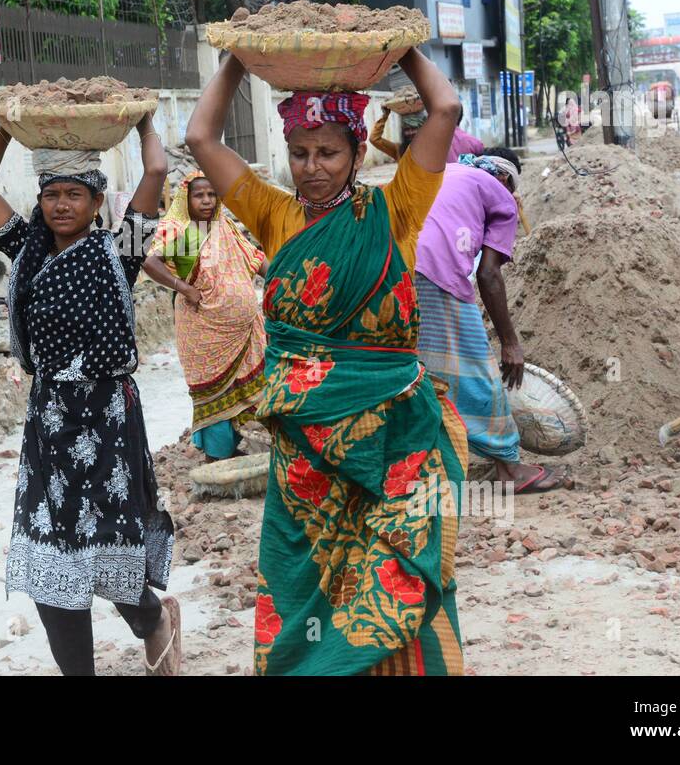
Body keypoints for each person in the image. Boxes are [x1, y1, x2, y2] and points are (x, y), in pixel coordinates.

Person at [186, 47, 469, 676]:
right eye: (299, 153)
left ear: (359, 153)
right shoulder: (273, 214)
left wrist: (401, 47)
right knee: (306, 578)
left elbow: (444, 107)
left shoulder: (395, 210)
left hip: (391, 438)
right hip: (306, 451)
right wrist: (239, 57)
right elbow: (200, 136)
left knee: (386, 575)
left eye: (329, 153)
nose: (311, 169)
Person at [0, 114, 182, 676]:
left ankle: (154, 620)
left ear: (95, 200)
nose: (62, 205)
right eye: (52, 194)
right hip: (51, 422)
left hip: (109, 419)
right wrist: (8, 126)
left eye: (75, 195)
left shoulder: (121, 252)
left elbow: (157, 166)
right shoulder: (28, 248)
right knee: (51, 563)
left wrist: (145, 122)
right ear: (40, 200)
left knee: (113, 551)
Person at [407, 143, 571, 493]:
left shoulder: (449, 170)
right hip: (434, 272)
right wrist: (510, 342)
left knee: (413, 369)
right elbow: (488, 275)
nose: (510, 196)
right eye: (511, 189)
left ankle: (416, 461)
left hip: (389, 266)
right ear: (503, 178)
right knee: (478, 369)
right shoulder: (500, 193)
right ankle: (509, 469)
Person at [142, 172, 268, 462]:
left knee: (252, 385)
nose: (207, 200)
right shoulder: (184, 231)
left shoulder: (224, 226)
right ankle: (217, 454)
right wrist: (184, 288)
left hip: (243, 331)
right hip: (204, 329)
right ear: (186, 198)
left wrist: (281, 280)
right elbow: (149, 262)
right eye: (200, 195)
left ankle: (234, 445)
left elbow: (255, 258)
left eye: (212, 194)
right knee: (214, 389)